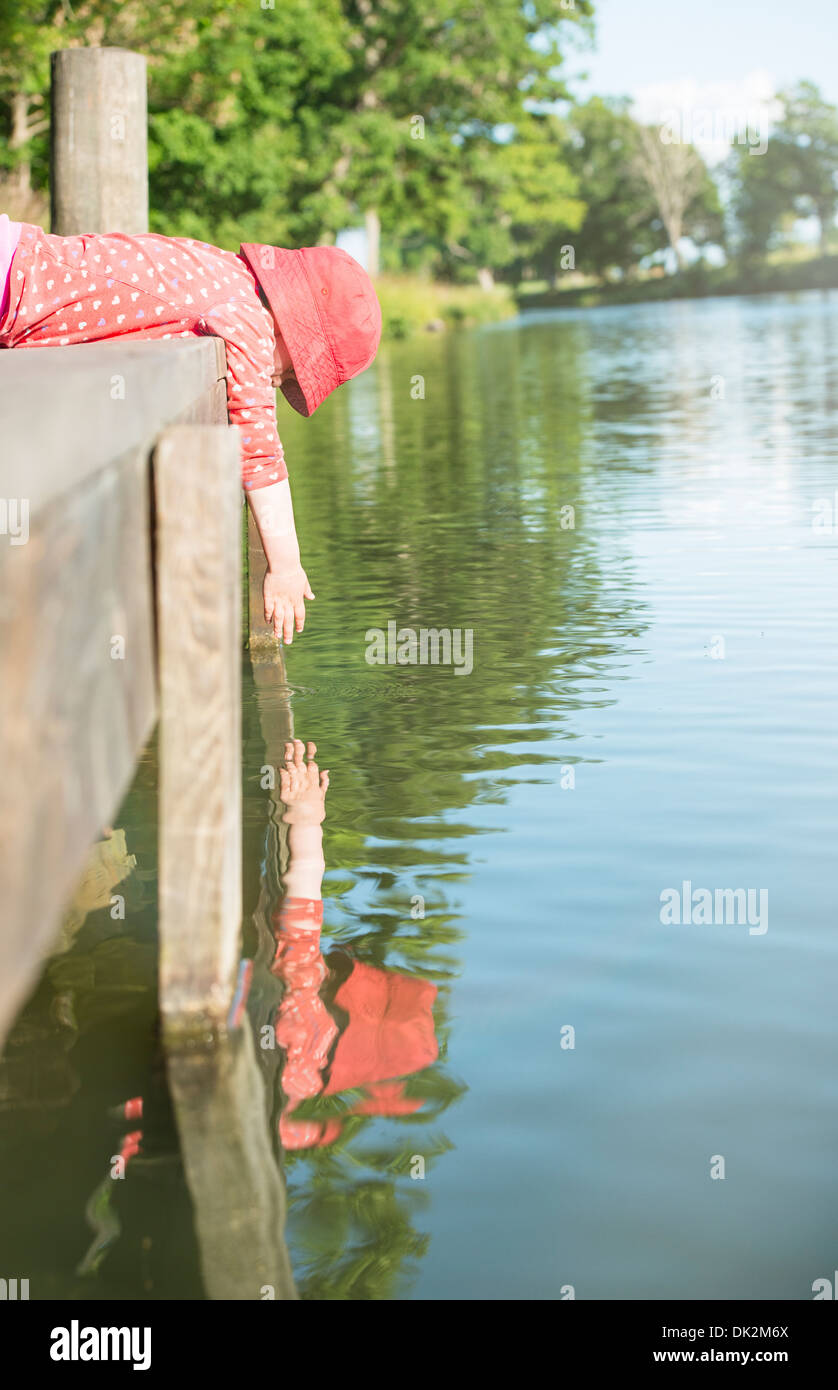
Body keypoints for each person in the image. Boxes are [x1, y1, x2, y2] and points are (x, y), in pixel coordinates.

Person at [0, 213, 382, 643]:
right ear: (289, 331)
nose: (279, 383)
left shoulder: (225, 276)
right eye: (292, 372)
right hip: (13, 281)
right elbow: (258, 449)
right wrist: (287, 566)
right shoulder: (249, 320)